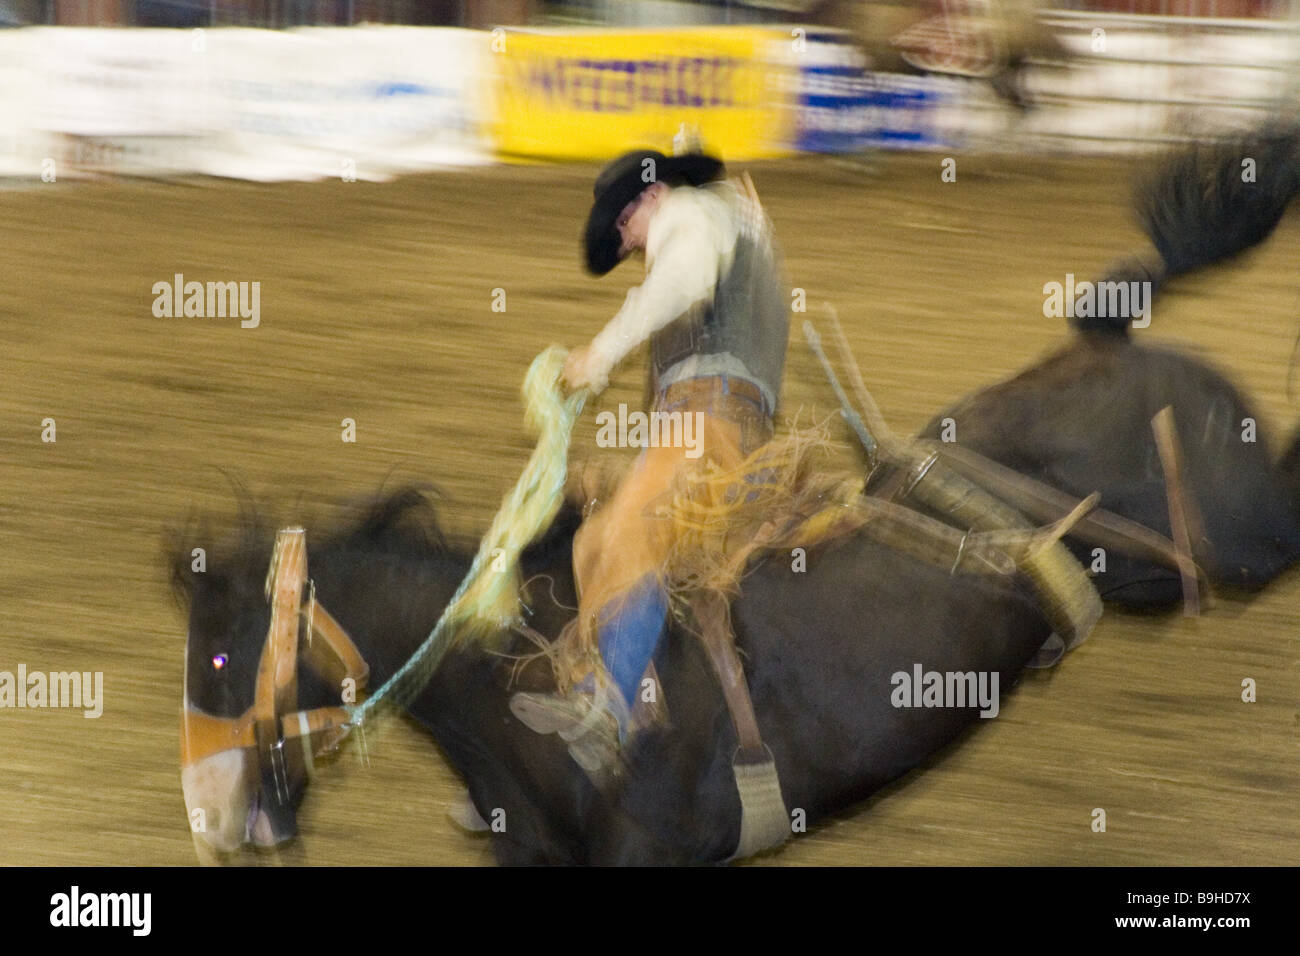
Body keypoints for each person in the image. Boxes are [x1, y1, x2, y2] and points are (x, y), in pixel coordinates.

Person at [510, 147, 789, 779]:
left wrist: (599, 353)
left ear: (651, 197)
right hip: (706, 420)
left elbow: (681, 282)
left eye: (624, 229)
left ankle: (607, 710)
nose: (630, 245)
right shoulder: (725, 219)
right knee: (591, 545)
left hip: (713, 418)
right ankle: (631, 707)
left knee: (630, 531)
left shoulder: (690, 217)